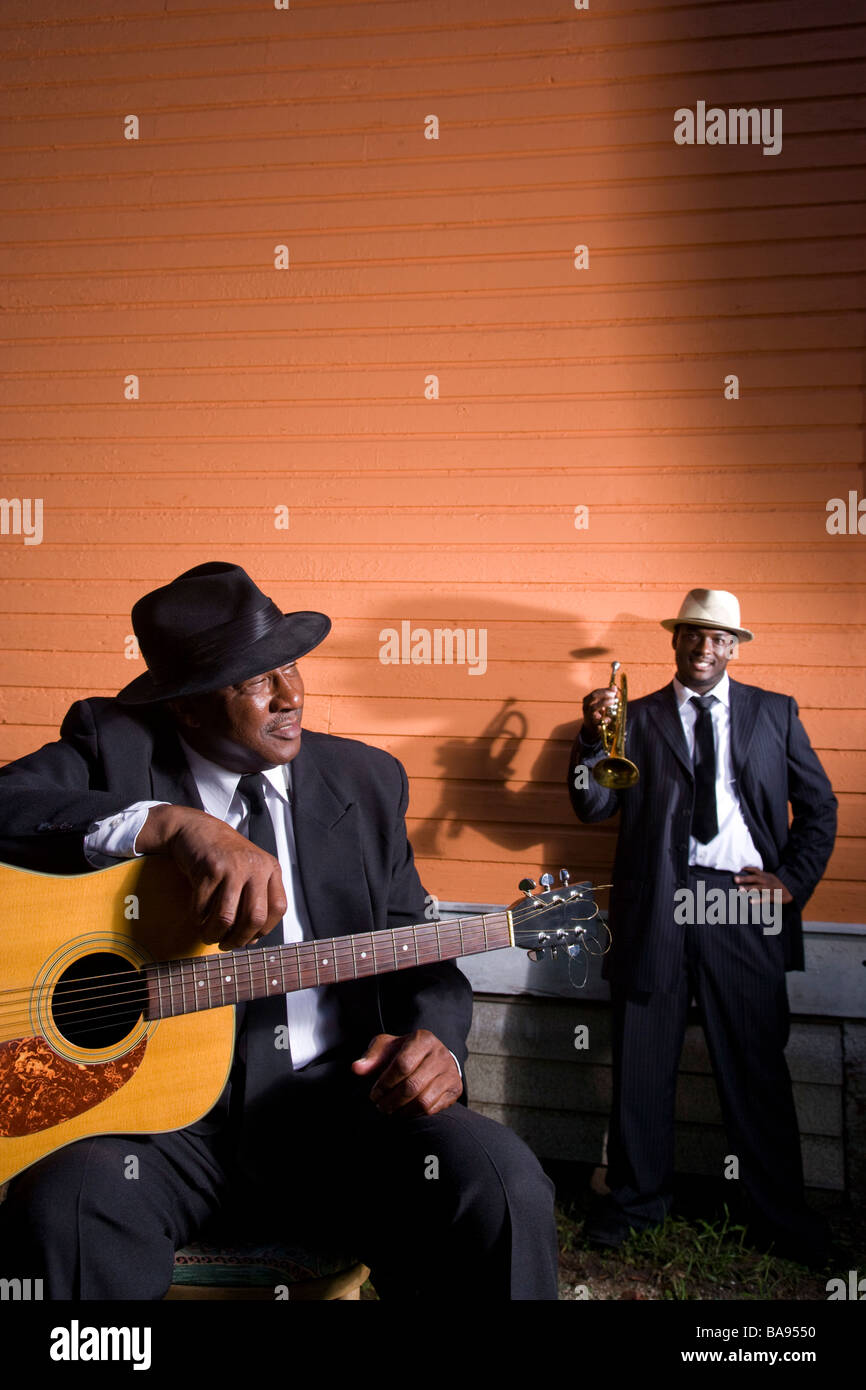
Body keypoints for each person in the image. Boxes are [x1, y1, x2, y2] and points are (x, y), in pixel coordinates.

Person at [0, 561, 558, 1300]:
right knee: (66, 1208)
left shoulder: (366, 782)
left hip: (340, 1110)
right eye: (253, 681)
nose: (290, 695)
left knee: (499, 1181)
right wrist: (165, 825)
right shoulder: (115, 747)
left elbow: (418, 950)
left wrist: (440, 1047)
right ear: (189, 709)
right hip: (154, 1134)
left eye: (291, 664)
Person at [568, 588, 837, 1262]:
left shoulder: (774, 713)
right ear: (676, 640)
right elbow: (594, 806)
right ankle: (633, 1206)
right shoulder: (637, 714)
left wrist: (790, 882)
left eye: (718, 637)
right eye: (693, 634)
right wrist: (588, 734)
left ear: (735, 646)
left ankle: (781, 1217)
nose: (704, 647)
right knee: (642, 1059)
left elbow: (820, 807)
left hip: (740, 903)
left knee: (754, 1065)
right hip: (658, 900)